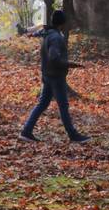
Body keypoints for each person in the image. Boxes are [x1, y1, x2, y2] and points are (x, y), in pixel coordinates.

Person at [20, 10, 90, 143]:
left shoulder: (48, 34)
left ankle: (26, 131)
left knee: (42, 104)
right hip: (55, 76)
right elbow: (54, 58)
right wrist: (71, 64)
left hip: (47, 75)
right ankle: (73, 135)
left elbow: (37, 34)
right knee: (63, 106)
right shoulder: (56, 38)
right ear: (63, 23)